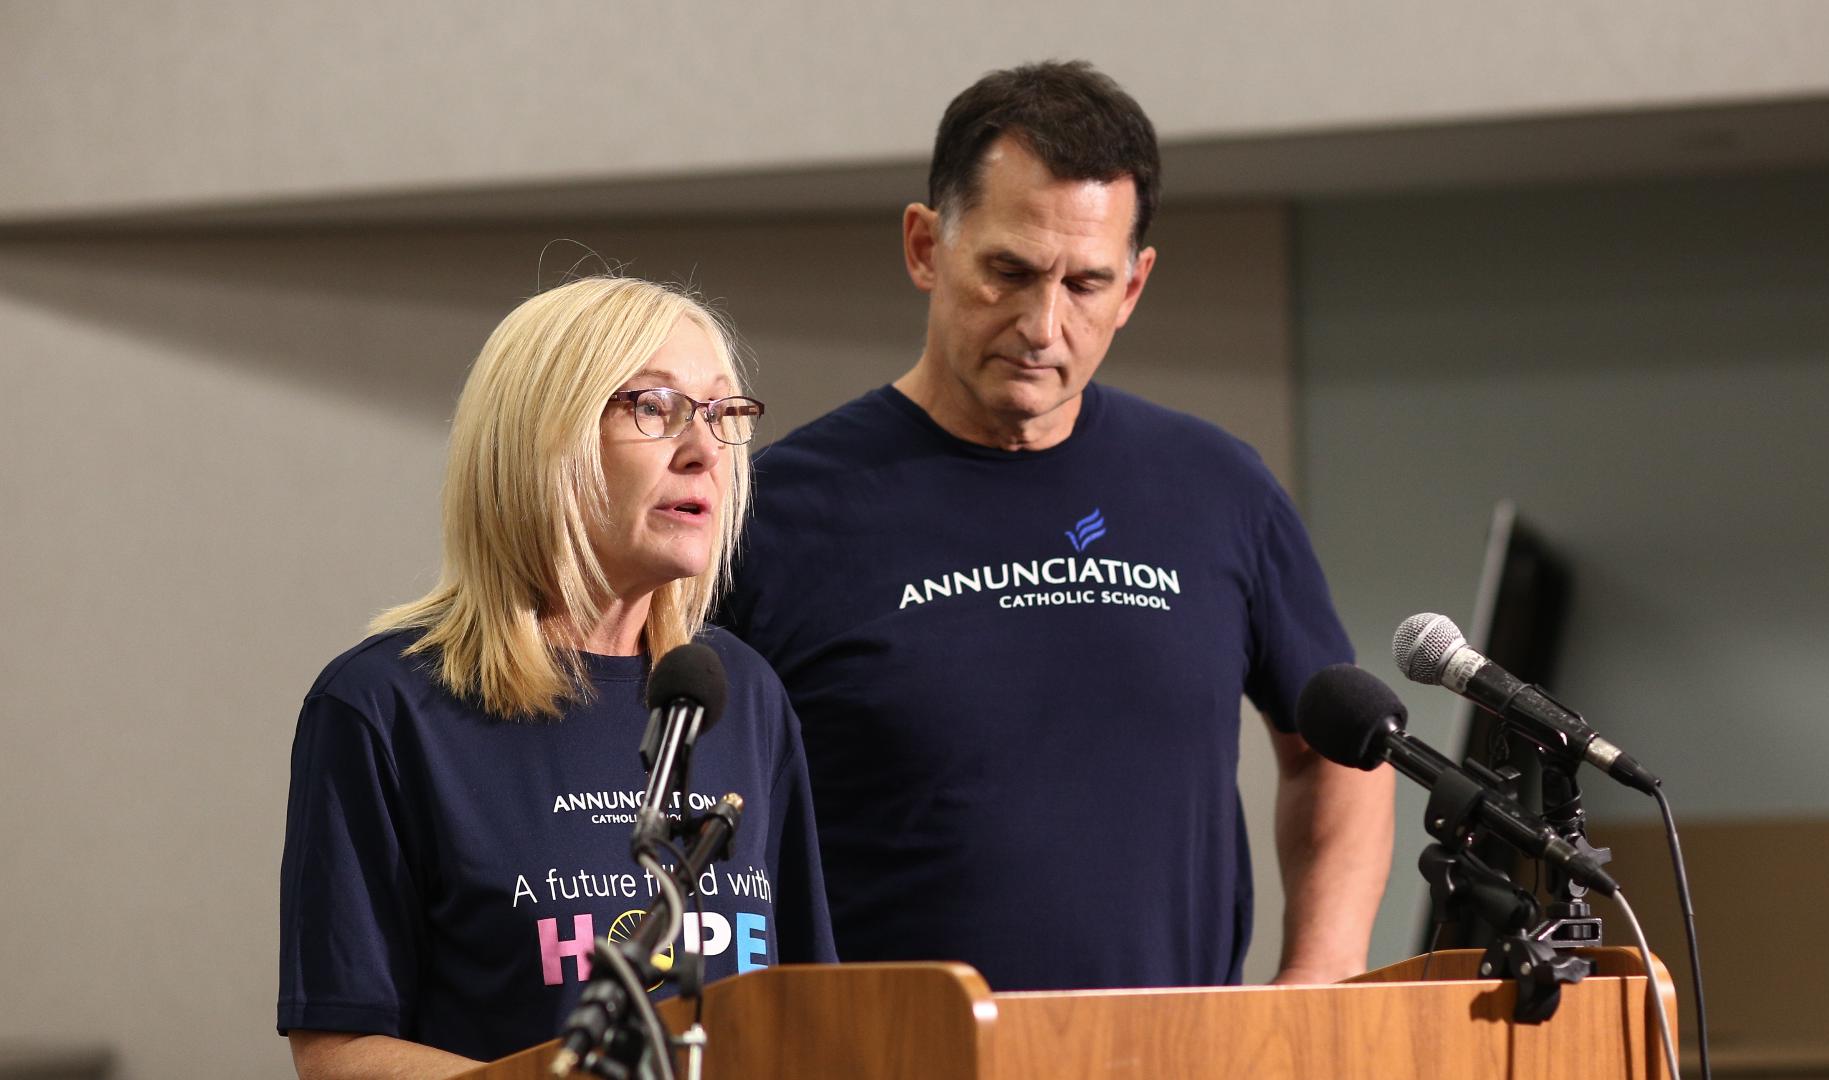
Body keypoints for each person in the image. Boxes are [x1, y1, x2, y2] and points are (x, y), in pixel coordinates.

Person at [720, 61, 1394, 992]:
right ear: (925, 246)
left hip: (1176, 1058)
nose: (1044, 324)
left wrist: (1318, 982)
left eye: (1086, 282)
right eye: (1009, 271)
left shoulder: (1217, 487)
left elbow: (1344, 754)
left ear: (1134, 286)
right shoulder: (775, 512)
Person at [278, 277, 835, 1076]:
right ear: (543, 439)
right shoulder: (384, 709)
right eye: (656, 408)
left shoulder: (738, 693)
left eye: (721, 414)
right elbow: (338, 1051)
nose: (704, 450)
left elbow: (807, 1008)